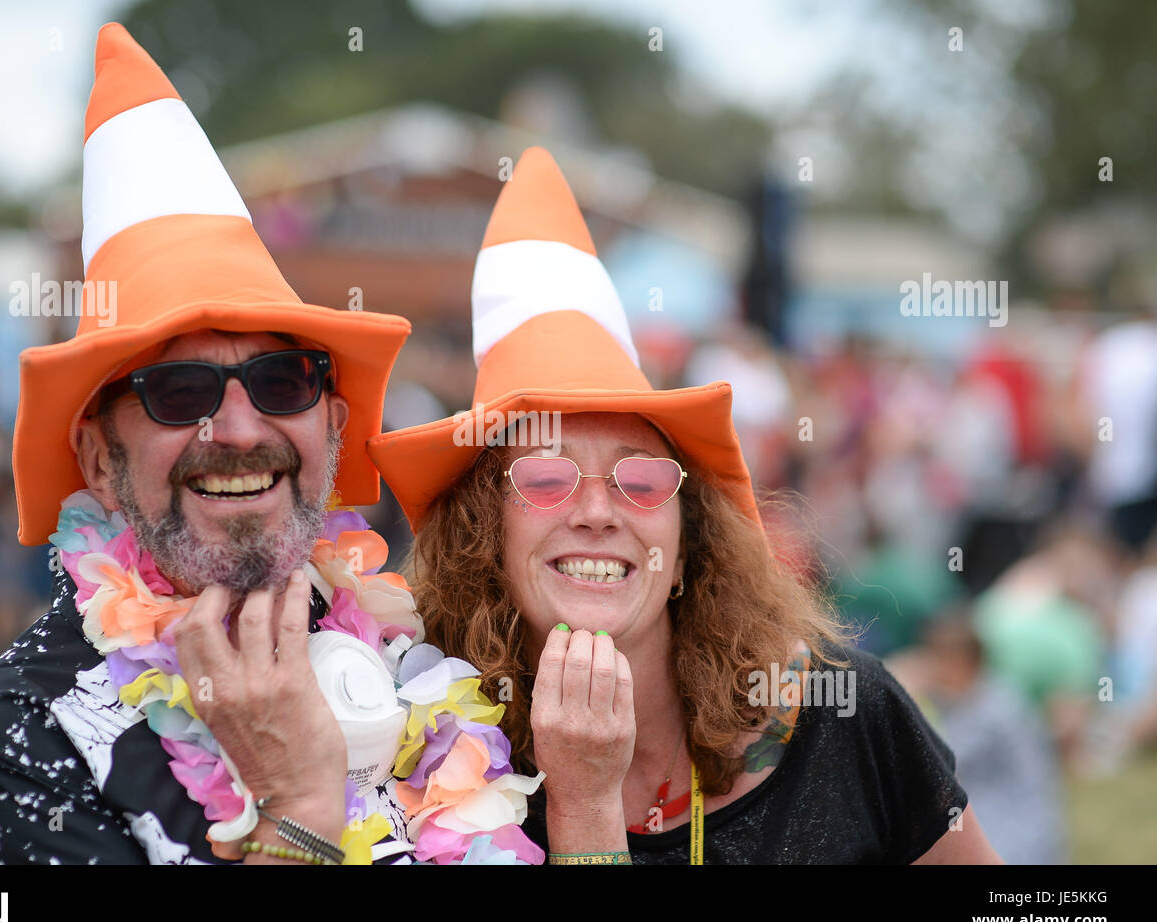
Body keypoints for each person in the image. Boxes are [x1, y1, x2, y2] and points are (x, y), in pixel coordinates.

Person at [0, 23, 542, 866]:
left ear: (331, 428)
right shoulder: (24, 735)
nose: (241, 428)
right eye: (179, 391)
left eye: (282, 380)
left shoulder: (424, 655)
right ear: (96, 459)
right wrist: (297, 810)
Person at [368, 147, 1004, 864]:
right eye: (547, 478)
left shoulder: (843, 713)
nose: (598, 511)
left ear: (685, 543)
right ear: (483, 538)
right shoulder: (423, 767)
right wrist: (582, 801)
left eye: (640, 480)